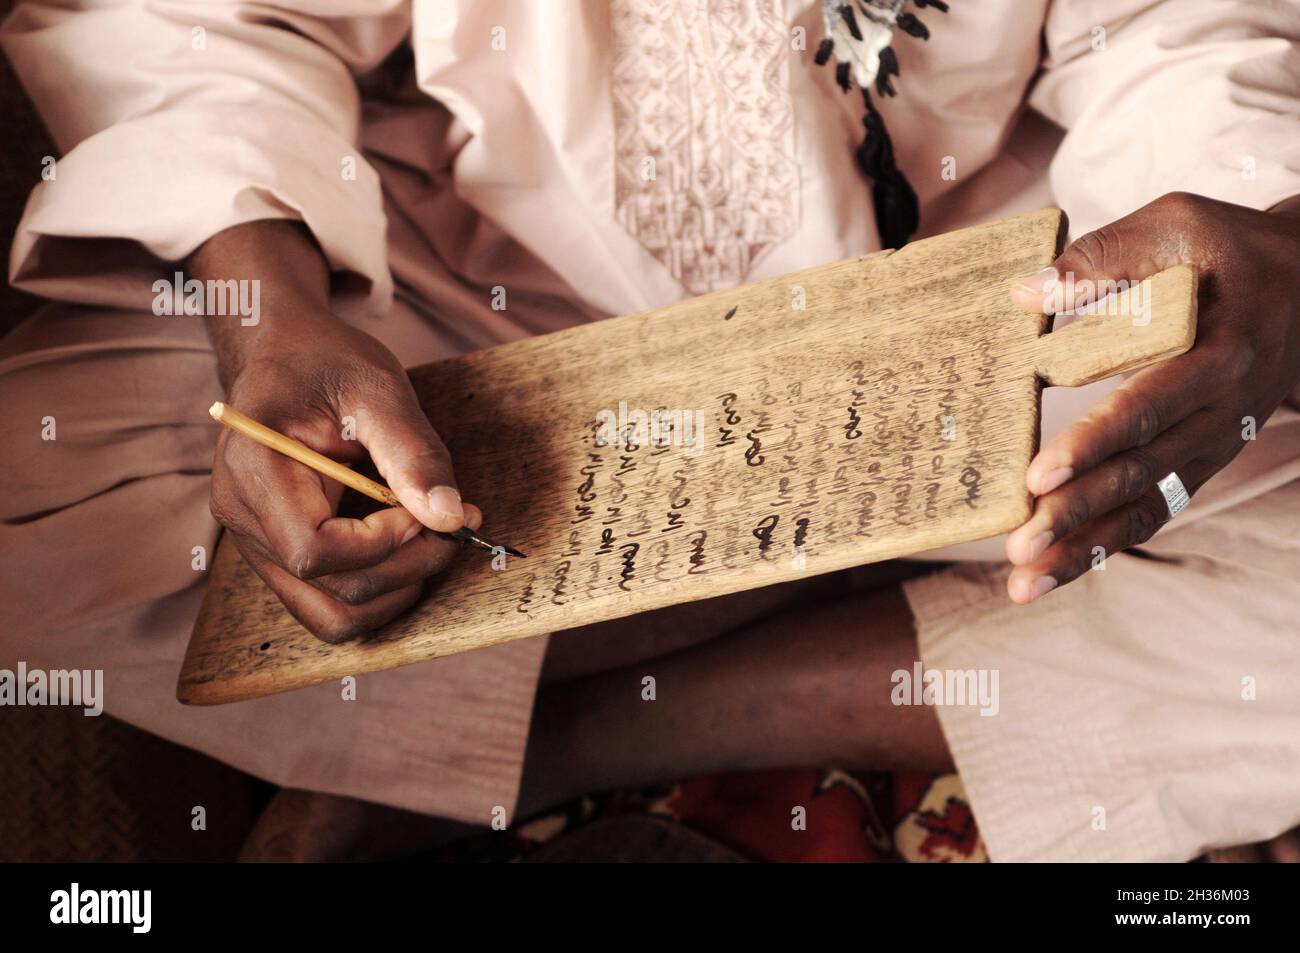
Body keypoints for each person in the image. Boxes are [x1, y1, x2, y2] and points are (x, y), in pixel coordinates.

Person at [1, 0, 1298, 862]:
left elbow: (1180, 31)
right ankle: (873, 541)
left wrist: (1266, 253)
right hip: (485, 302)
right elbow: (202, 22)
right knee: (49, 539)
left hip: (986, 284)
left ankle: (544, 739)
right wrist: (272, 321)